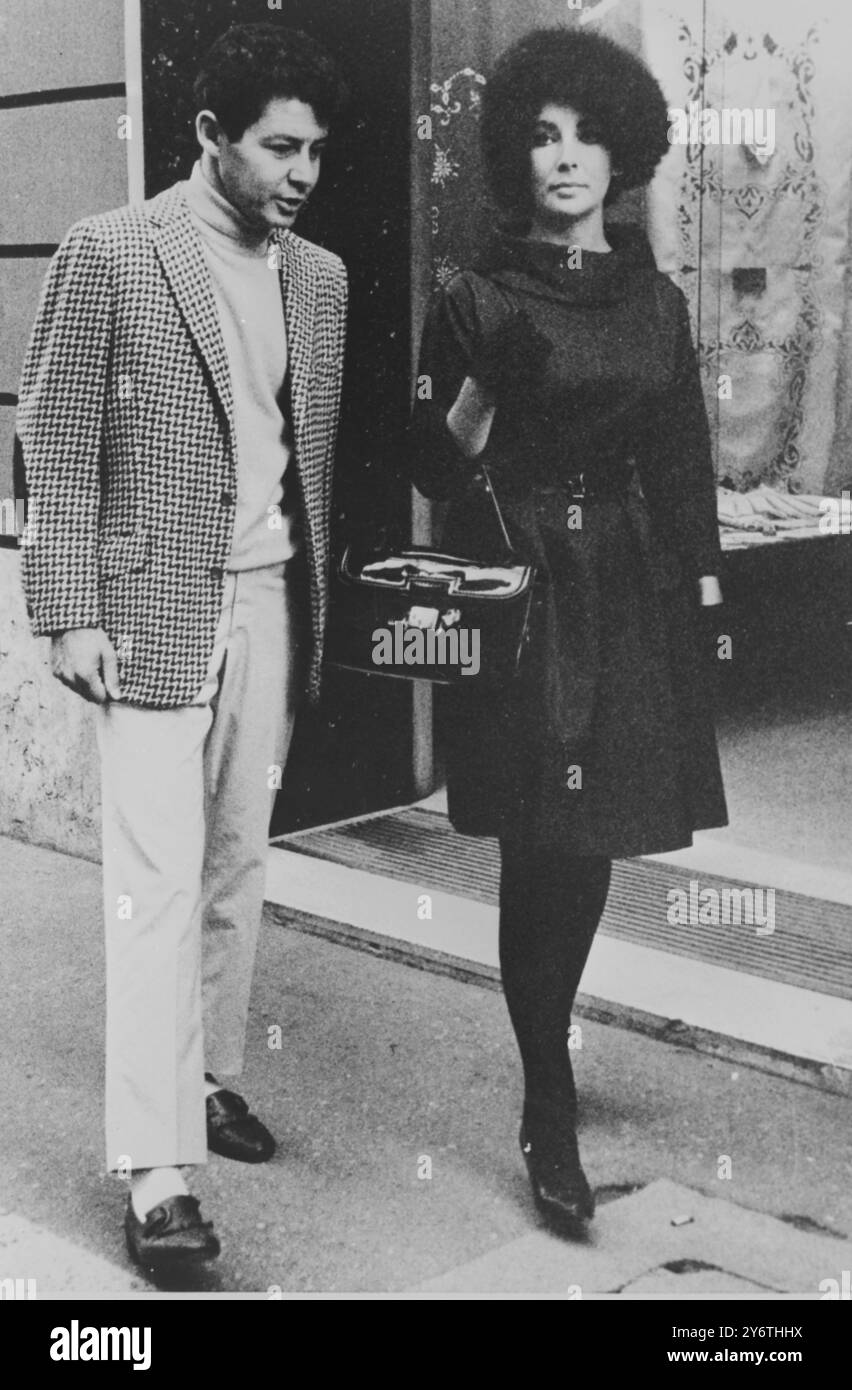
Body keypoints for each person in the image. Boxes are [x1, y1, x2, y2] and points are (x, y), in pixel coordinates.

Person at [16, 22, 348, 1270]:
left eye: (315, 148)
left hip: (268, 603)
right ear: (211, 136)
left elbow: (296, 460)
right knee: (151, 884)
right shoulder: (112, 252)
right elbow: (51, 442)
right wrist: (69, 608)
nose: (302, 170)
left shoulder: (320, 280)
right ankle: (157, 1174)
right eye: (278, 146)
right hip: (149, 610)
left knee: (235, 864)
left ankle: (205, 1076)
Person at [410, 26, 727, 1232]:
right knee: (535, 840)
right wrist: (483, 380)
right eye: (542, 135)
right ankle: (548, 1096)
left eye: (588, 134)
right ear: (515, 154)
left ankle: (553, 1053)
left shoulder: (656, 300)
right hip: (523, 587)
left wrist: (702, 597)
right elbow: (431, 468)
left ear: (624, 151)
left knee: (587, 843)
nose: (566, 157)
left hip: (627, 590)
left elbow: (683, 458)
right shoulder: (474, 295)